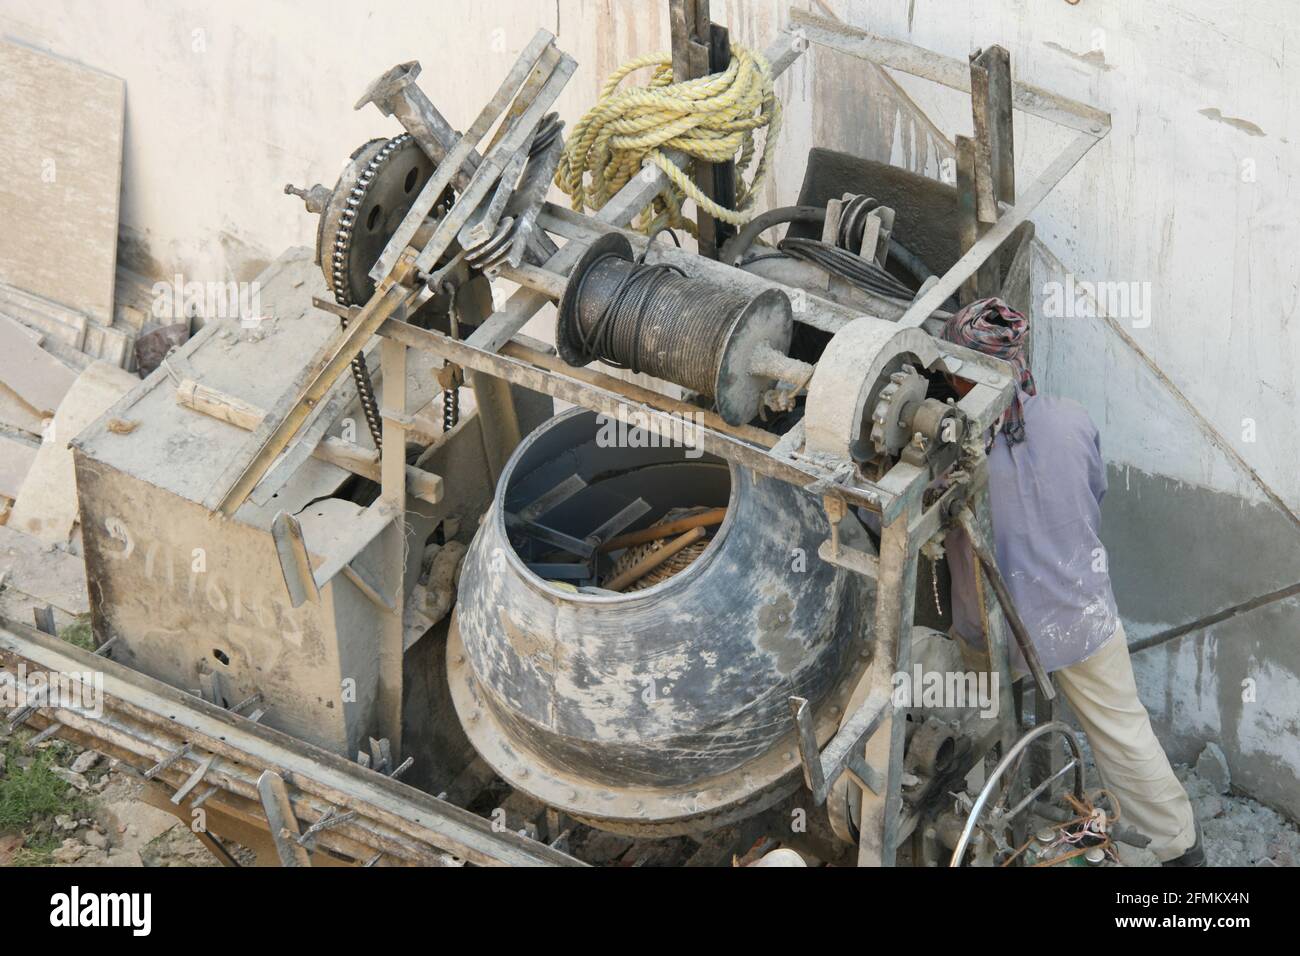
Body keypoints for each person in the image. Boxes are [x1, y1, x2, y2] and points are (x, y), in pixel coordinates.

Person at [941, 297, 1202, 866]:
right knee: (1124, 735)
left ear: (962, 376)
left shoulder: (951, 459)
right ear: (1020, 359)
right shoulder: (1073, 418)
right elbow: (1093, 494)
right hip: (1080, 613)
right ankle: (1179, 851)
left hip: (998, 631)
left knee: (972, 729)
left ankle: (982, 835)